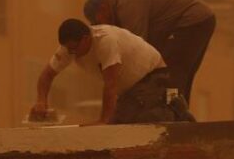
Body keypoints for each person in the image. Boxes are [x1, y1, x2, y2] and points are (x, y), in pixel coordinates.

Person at [30, 19, 193, 125]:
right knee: (120, 125)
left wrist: (103, 120)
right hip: (129, 89)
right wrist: (41, 101)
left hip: (154, 76)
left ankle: (179, 112)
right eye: (69, 49)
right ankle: (176, 109)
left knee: (149, 121)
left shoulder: (105, 41)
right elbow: (46, 76)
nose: (73, 54)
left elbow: (110, 84)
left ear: (86, 39)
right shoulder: (69, 49)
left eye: (74, 49)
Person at [83, 0, 215, 106]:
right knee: (178, 73)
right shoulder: (119, 10)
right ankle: (178, 110)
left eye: (99, 22)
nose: (104, 27)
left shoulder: (127, 6)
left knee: (172, 71)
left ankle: (173, 110)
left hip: (191, 20)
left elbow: (138, 48)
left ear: (103, 9)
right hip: (200, 19)